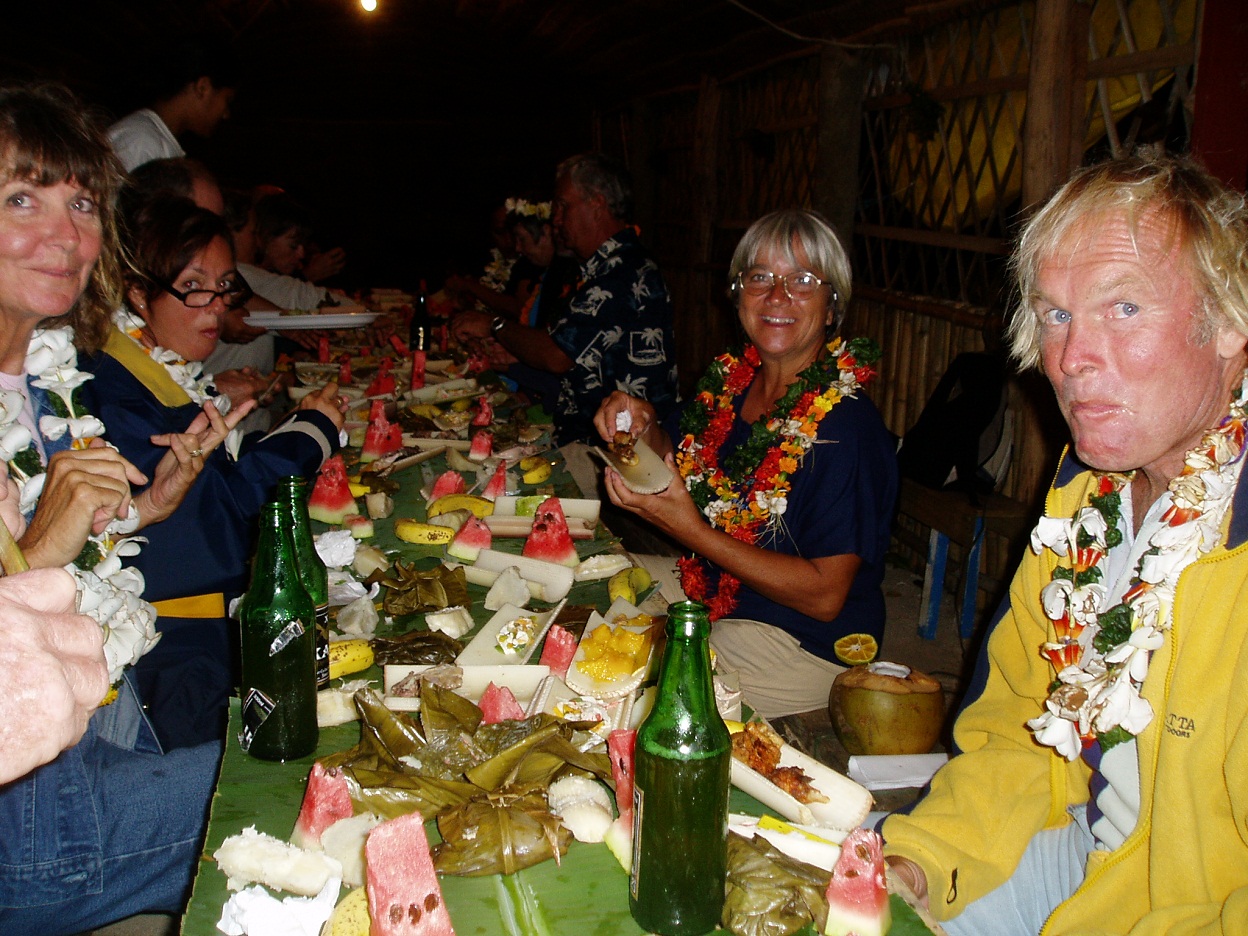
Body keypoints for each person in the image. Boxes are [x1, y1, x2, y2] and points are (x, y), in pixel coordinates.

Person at [881, 151, 1248, 934]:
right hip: (1073, 852)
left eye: (1123, 308)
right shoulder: (1086, 494)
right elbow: (1019, 728)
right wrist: (919, 856)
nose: (1071, 360)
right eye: (1055, 314)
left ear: (1229, 321)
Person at [0, 82, 243, 936]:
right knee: (303, 782)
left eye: (82, 202)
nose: (65, 234)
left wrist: (141, 508)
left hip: (107, 713)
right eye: (22, 198)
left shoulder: (40, 373)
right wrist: (38, 552)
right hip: (26, 816)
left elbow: (66, 544)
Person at [594, 209, 897, 719]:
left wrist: (688, 530)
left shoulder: (847, 427)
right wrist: (643, 425)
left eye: (802, 280)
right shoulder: (735, 383)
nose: (777, 297)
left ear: (831, 307)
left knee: (640, 682)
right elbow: (680, 450)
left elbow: (825, 596)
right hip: (715, 586)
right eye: (760, 277)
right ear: (738, 295)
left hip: (805, 641)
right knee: (587, 581)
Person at [80, 194, 346, 749]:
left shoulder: (149, 367)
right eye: (193, 287)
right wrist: (312, 432)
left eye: (223, 287)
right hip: (172, 661)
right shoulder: (111, 391)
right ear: (136, 291)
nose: (214, 309)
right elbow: (216, 518)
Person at [455, 153, 678, 444]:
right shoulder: (602, 268)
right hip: (588, 437)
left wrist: (494, 325)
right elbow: (578, 357)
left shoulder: (623, 271)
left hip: (618, 449)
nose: (556, 219)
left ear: (596, 203)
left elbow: (556, 356)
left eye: (562, 206)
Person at [107, 33, 239, 172]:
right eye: (227, 100)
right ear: (203, 87)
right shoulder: (141, 143)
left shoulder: (154, 141)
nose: (226, 114)